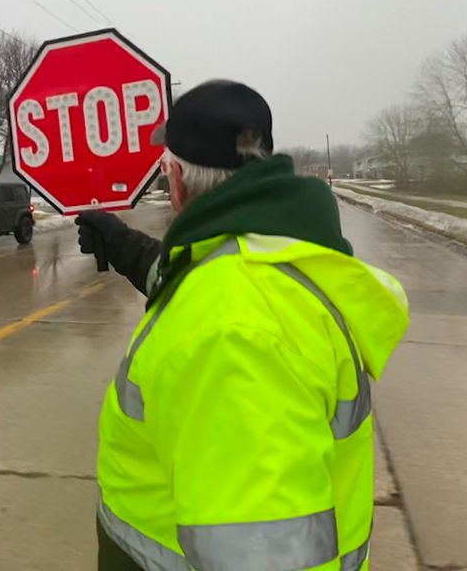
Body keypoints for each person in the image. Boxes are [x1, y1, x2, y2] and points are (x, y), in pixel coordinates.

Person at [76, 79, 410, 571]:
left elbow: (261, 556)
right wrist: (122, 244)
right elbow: (196, 280)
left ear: (176, 179)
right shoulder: (273, 250)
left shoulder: (233, 333)